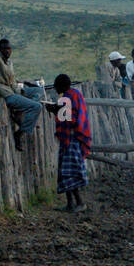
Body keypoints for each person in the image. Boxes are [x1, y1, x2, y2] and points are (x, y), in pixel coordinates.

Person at [0, 38, 44, 151]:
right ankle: (19, 133)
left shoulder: (9, 62)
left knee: (39, 90)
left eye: (9, 49)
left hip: (15, 91)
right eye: (5, 49)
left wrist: (22, 85)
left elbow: (11, 80)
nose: (7, 51)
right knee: (36, 106)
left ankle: (21, 110)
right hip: (7, 95)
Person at [51, 73, 90, 212]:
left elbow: (68, 119)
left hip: (70, 138)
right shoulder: (76, 94)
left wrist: (55, 110)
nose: (55, 89)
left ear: (61, 86)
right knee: (66, 170)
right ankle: (70, 204)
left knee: (69, 171)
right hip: (74, 138)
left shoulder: (67, 97)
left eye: (56, 86)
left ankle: (79, 203)